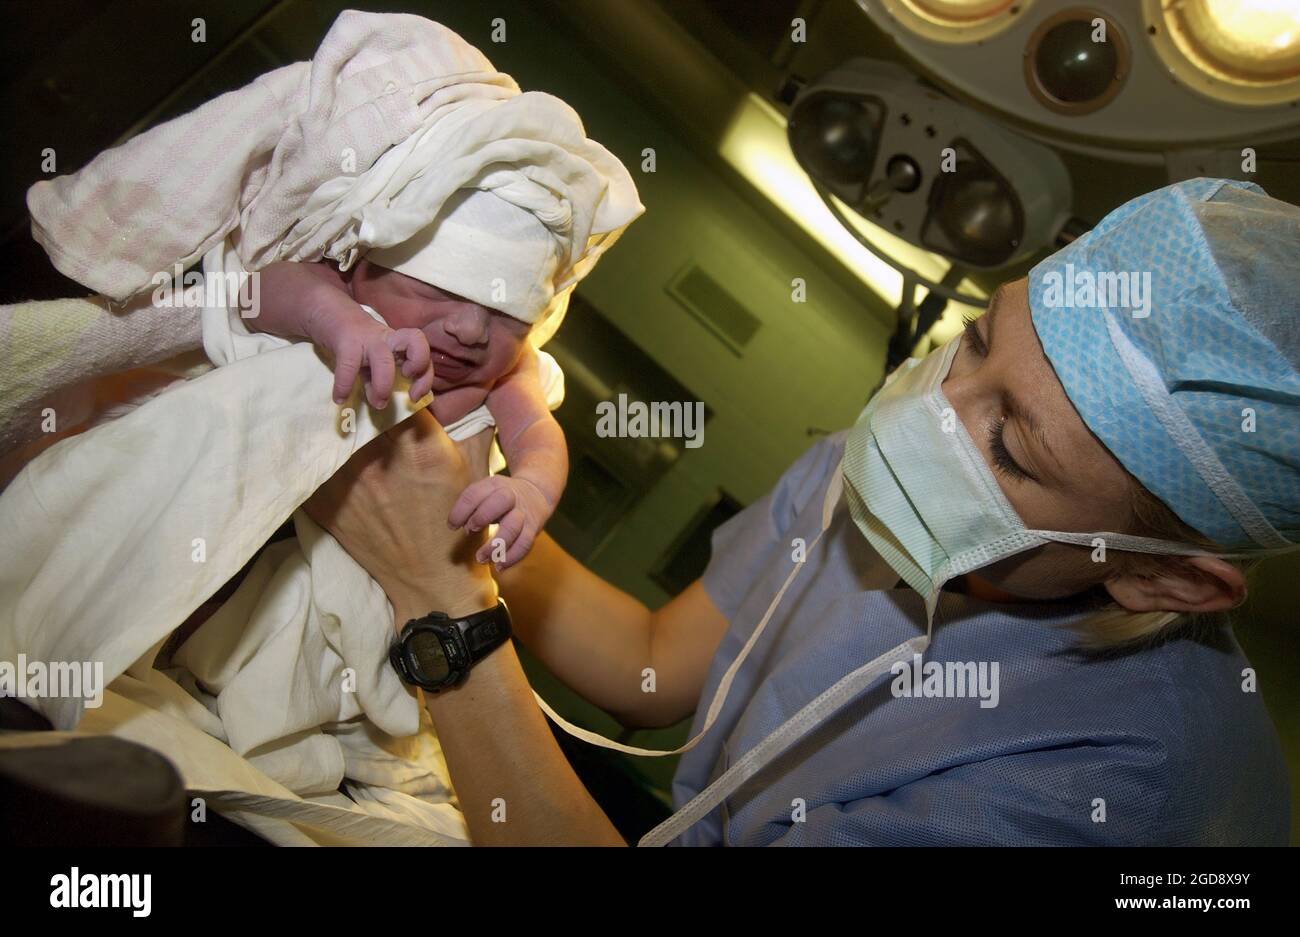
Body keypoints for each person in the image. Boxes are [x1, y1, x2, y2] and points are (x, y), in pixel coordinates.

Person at [307, 177, 1296, 846]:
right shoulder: (889, 465)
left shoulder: (1126, 781)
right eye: (976, 338)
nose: (927, 415)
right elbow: (653, 665)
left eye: (1006, 446)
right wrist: (469, 509)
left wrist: (438, 603)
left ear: (1160, 575)